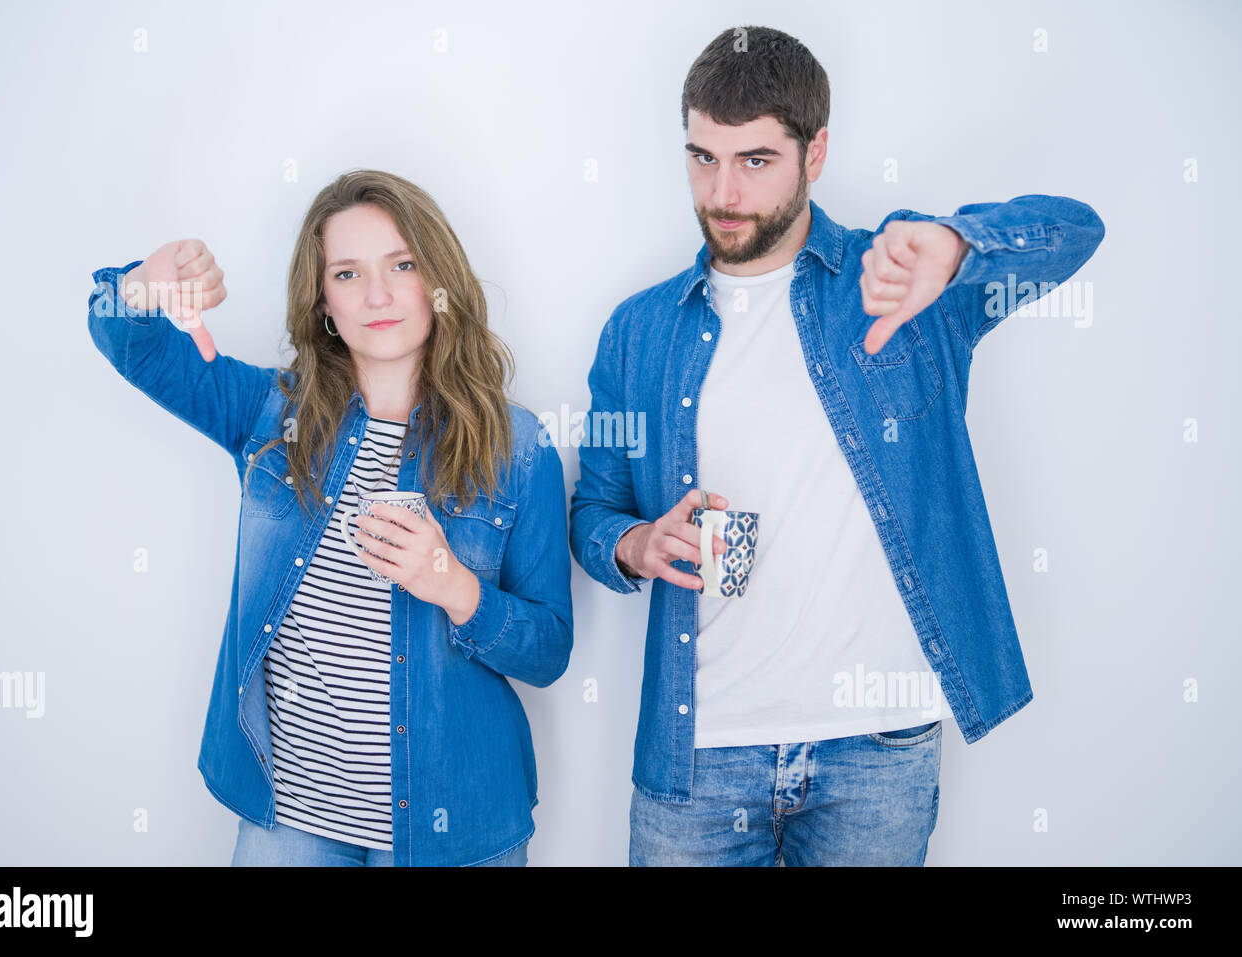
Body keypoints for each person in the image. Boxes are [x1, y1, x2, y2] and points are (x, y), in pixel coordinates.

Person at [568, 25, 1105, 866]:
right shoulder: (638, 332)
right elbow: (592, 511)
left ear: (815, 152)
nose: (723, 191)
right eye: (702, 157)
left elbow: (1077, 230)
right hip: (699, 755)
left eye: (754, 160)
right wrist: (636, 542)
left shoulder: (899, 281)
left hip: (876, 754)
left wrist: (962, 244)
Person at [87, 169, 573, 866]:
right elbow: (126, 340)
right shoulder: (267, 415)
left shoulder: (517, 447)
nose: (377, 294)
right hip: (293, 820)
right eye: (347, 274)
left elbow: (549, 648)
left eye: (402, 265)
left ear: (439, 281)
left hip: (455, 826)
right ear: (322, 302)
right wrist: (145, 280)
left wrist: (453, 586)